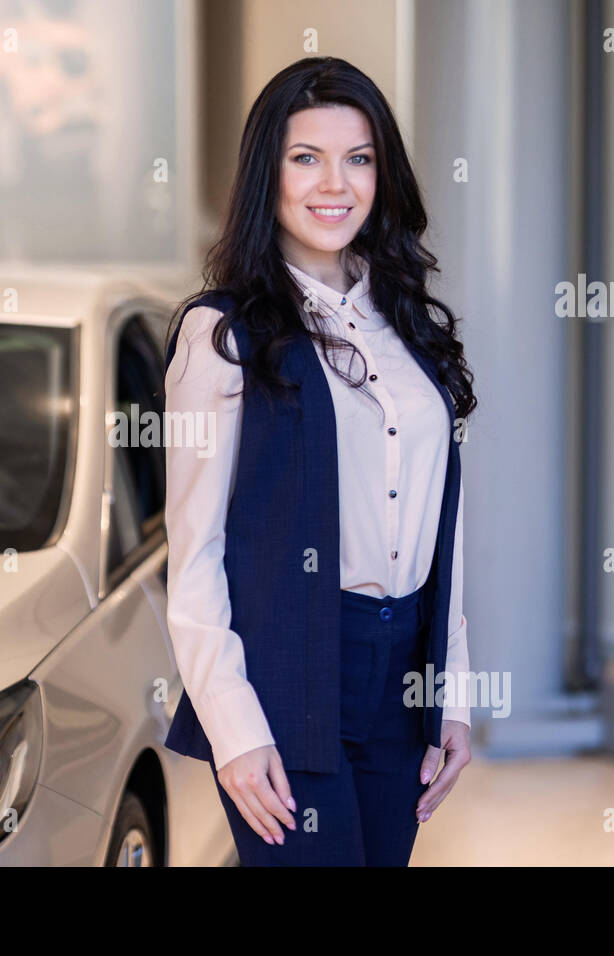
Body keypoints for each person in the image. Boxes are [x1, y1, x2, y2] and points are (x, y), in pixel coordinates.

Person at [162, 56, 477, 866]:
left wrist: (453, 691)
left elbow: (445, 527)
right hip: (291, 669)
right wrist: (234, 731)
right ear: (267, 174)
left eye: (359, 158)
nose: (334, 184)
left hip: (401, 677)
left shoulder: (411, 325)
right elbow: (194, 556)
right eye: (306, 158)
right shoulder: (222, 336)